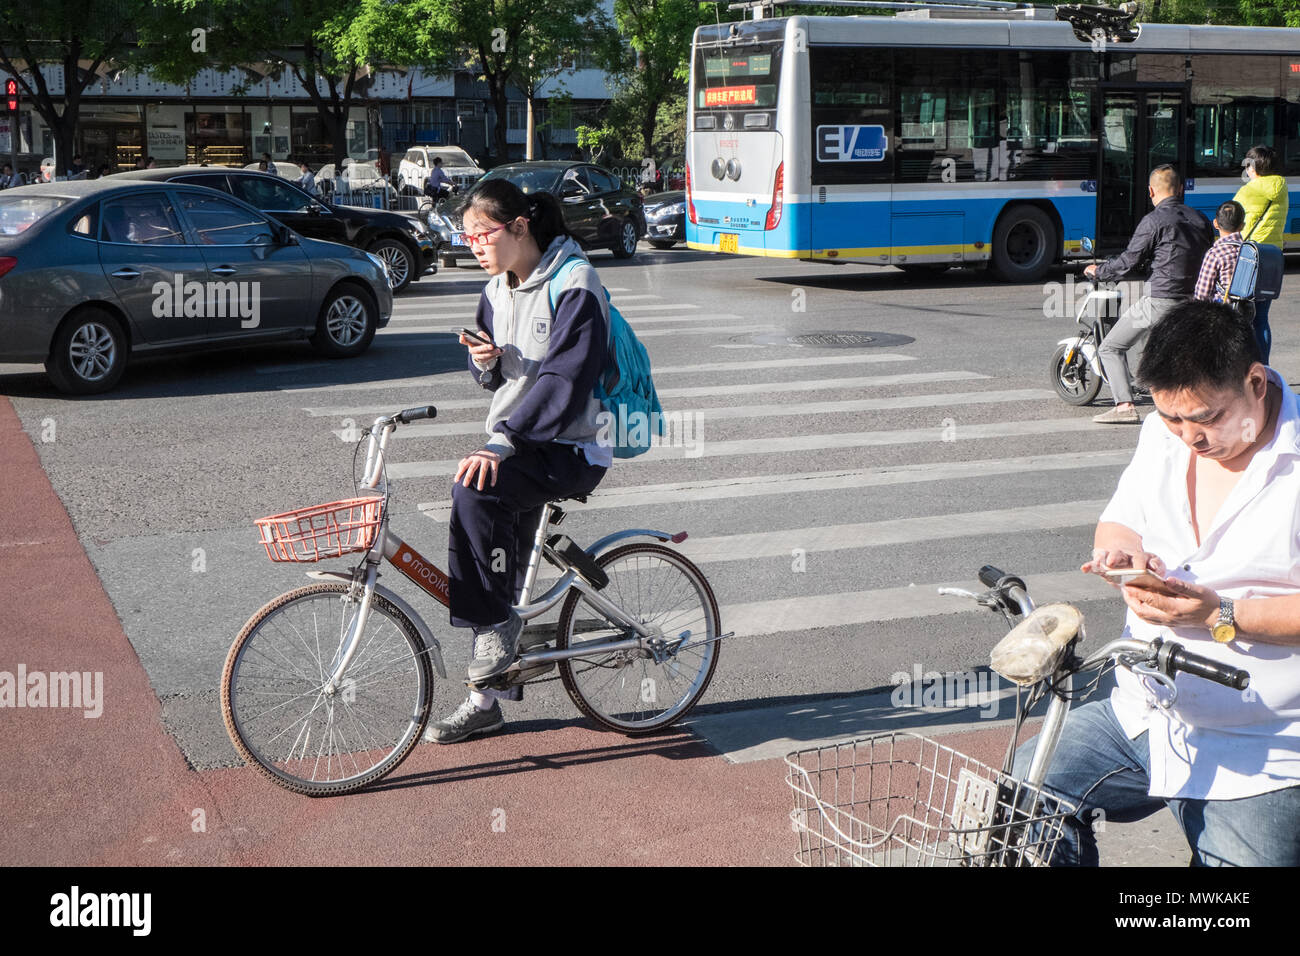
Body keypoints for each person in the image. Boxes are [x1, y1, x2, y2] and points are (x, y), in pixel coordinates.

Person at [1012, 300, 1300, 867]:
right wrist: (1122, 556)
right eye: (1173, 417)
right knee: (1026, 794)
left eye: (1207, 418)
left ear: (1255, 382)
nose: (1189, 436)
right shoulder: (1160, 436)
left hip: (1265, 741)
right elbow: (1121, 518)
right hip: (1144, 712)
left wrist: (1221, 614)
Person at [425, 179, 612, 744]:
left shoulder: (575, 284)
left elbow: (565, 381)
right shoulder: (495, 288)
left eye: (483, 233)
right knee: (497, 565)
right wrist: (485, 362)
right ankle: (486, 699)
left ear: (520, 226)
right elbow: (498, 375)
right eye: (468, 235)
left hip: (570, 445)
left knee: (474, 493)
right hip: (518, 438)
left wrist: (504, 440)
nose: (474, 244)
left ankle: (495, 625)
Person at [1083, 165, 1213, 424]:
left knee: (1110, 347)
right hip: (1193, 301)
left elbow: (1129, 261)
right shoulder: (1200, 219)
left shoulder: (1154, 220)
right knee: (1154, 346)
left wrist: (1100, 271)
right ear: (1180, 189)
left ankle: (1124, 407)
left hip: (1161, 299)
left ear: (1151, 191)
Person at [1232, 144, 1287, 364]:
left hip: (1249, 259)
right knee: (1261, 318)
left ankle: (1244, 368)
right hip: (1272, 256)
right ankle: (1264, 367)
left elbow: (1236, 223)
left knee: (1240, 317)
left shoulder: (1250, 190)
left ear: (1253, 167)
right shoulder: (1281, 187)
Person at [1193, 200, 1245, 304]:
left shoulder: (1215, 253)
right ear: (1242, 225)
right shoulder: (1250, 251)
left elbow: (1202, 294)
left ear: (1215, 223)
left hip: (1223, 313)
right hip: (1247, 311)